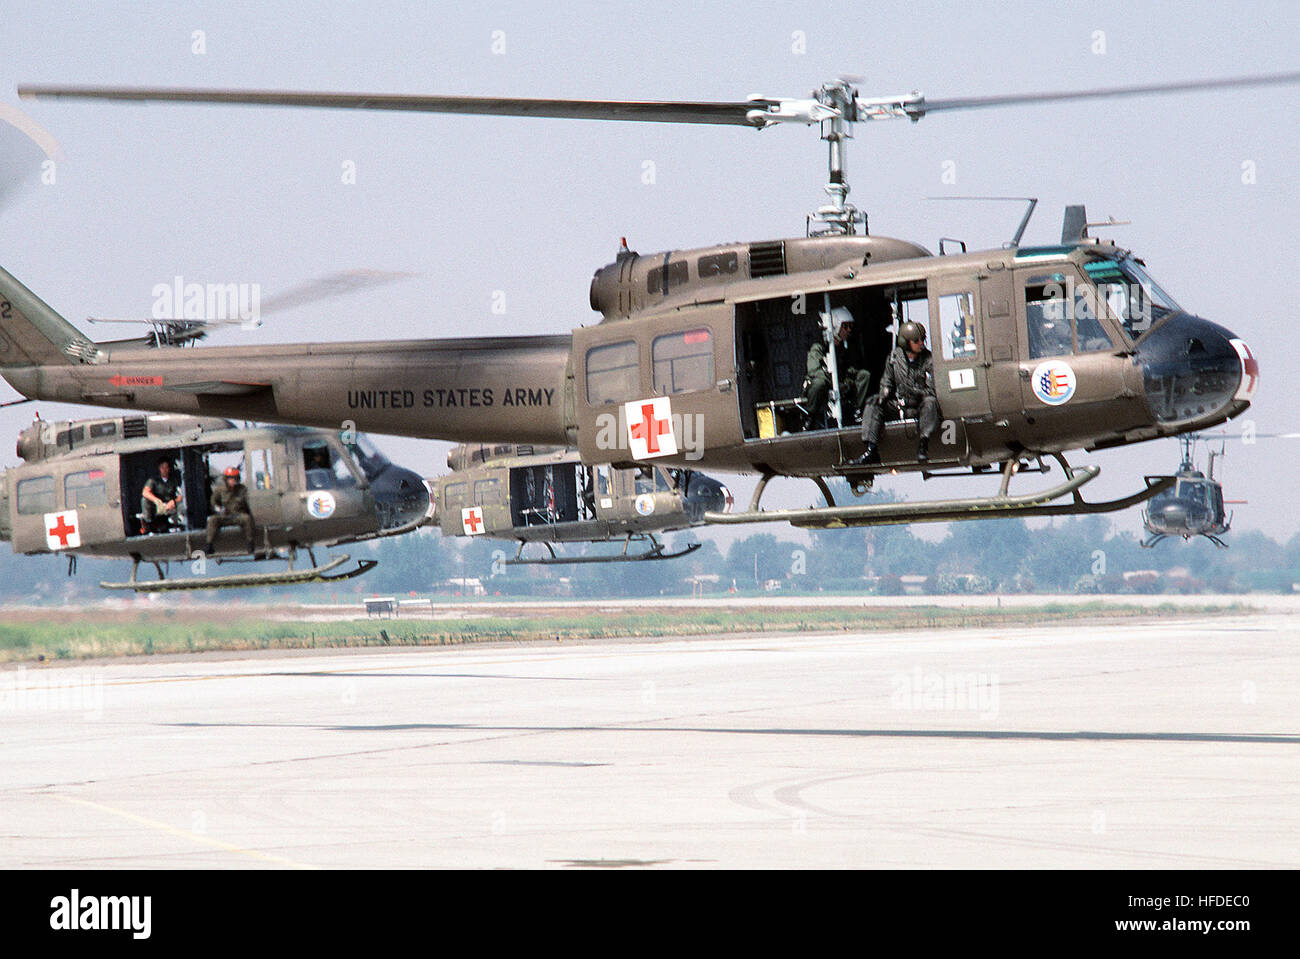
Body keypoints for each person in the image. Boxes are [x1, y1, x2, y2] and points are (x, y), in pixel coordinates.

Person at [852, 320, 941, 465]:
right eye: (916, 341)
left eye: (923, 340)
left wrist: (916, 393)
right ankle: (871, 450)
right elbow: (887, 381)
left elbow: (932, 389)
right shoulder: (894, 358)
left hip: (919, 407)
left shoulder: (929, 360)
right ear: (906, 342)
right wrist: (883, 395)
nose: (921, 343)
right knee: (872, 404)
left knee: (930, 402)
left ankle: (923, 445)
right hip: (900, 406)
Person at [804, 307, 870, 429]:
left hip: (838, 383)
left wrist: (847, 381)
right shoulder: (818, 347)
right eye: (845, 326)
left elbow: (848, 369)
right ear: (836, 326)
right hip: (821, 385)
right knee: (819, 383)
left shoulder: (843, 348)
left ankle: (858, 411)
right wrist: (832, 380)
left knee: (864, 375)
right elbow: (813, 371)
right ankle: (809, 417)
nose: (849, 330)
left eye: (850, 326)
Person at [204, 465, 255, 554]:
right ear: (226, 479)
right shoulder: (219, 490)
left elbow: (247, 503)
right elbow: (213, 502)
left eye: (235, 478)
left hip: (238, 515)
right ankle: (209, 544)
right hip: (225, 516)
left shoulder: (242, 489)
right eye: (230, 478)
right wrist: (218, 508)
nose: (233, 481)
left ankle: (250, 543)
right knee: (212, 520)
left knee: (247, 518)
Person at [140, 456, 183, 533]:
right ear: (159, 468)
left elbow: (181, 495)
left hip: (169, 507)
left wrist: (173, 501)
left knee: (181, 504)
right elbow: (145, 492)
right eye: (162, 467)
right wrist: (156, 500)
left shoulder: (174, 480)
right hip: (157, 507)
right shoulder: (153, 480)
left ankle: (176, 523)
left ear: (169, 469)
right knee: (144, 500)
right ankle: (149, 523)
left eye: (166, 467)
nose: (164, 470)